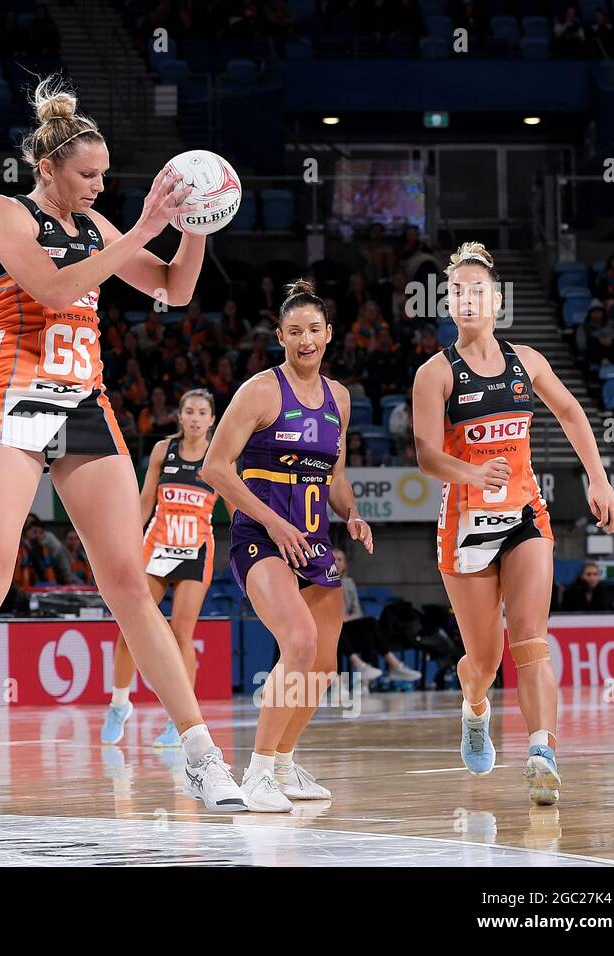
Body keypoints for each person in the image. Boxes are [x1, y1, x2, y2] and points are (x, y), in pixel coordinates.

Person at [0, 75, 245, 818]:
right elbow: (56, 292)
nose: (99, 185)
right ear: (48, 168)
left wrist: (192, 222)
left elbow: (175, 291)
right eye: (87, 174)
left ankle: (202, 756)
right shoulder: (3, 213)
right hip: (12, 398)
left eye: (104, 175)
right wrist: (143, 225)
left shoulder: (99, 230)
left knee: (127, 580)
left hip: (84, 402)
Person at [412, 242, 614, 806]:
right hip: (464, 526)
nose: (467, 299)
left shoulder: (527, 362)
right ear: (448, 302)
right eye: (457, 291)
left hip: (525, 517)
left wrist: (598, 480)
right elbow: (427, 456)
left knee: (531, 640)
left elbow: (574, 412)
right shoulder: (435, 373)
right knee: (482, 661)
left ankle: (541, 754)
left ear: (497, 299)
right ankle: (474, 709)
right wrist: (473, 473)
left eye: (477, 290)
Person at [201, 279, 376, 812]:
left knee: (322, 663)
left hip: (315, 540)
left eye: (314, 330)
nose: (305, 339)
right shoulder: (259, 390)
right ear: (280, 335)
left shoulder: (338, 398)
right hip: (262, 538)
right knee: (297, 641)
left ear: (329, 334)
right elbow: (214, 468)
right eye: (294, 331)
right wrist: (272, 523)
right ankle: (255, 772)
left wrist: (352, 513)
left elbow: (336, 474)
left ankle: (283, 761)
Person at [103, 389, 218, 748]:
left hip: (196, 548)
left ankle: (180, 721)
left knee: (181, 634)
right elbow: (143, 503)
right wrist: (124, 545)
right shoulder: (162, 451)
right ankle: (119, 705)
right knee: (129, 627)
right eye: (189, 410)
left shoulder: (219, 457)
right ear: (179, 416)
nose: (196, 417)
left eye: (202, 412)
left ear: (212, 420)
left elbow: (240, 504)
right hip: (156, 546)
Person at [333, 547, 420, 683]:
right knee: (337, 629)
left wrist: (346, 619)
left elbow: (357, 611)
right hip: (330, 628)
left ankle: (393, 666)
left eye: (339, 560)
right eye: (332, 560)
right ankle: (360, 666)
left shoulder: (348, 583)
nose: (336, 563)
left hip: (346, 627)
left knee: (370, 624)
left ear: (344, 564)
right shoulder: (321, 582)